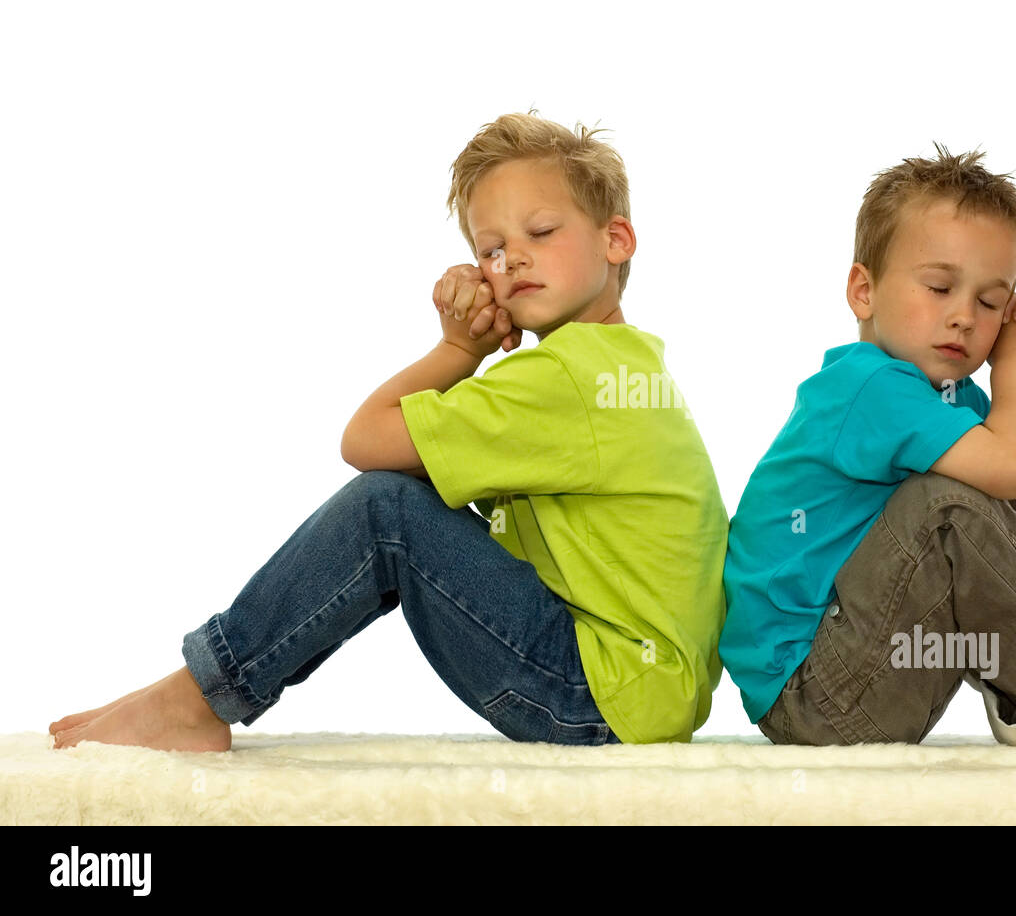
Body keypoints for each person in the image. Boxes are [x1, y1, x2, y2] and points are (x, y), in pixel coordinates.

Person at [50, 111, 728, 751]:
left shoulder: (567, 377)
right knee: (411, 504)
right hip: (642, 693)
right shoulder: (626, 364)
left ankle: (201, 697)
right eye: (492, 250)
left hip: (591, 694)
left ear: (616, 239)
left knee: (386, 512)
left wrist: (459, 350)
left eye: (541, 232)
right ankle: (212, 687)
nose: (513, 259)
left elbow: (366, 441)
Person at [720, 143, 1016, 758]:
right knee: (946, 501)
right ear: (863, 291)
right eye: (940, 286)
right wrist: (1014, 372)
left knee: (983, 487)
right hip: (815, 697)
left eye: (990, 302)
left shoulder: (947, 398)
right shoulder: (870, 386)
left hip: (871, 677)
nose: (963, 318)